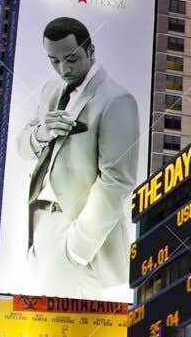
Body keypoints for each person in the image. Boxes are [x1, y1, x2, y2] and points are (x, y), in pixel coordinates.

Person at [12, 16, 141, 301]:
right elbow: (22, 145)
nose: (63, 69)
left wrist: (76, 249)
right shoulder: (51, 90)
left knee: (68, 333)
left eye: (71, 59)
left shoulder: (116, 100)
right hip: (41, 228)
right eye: (54, 61)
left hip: (80, 239)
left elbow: (117, 180)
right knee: (40, 330)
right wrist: (41, 133)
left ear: (90, 51)